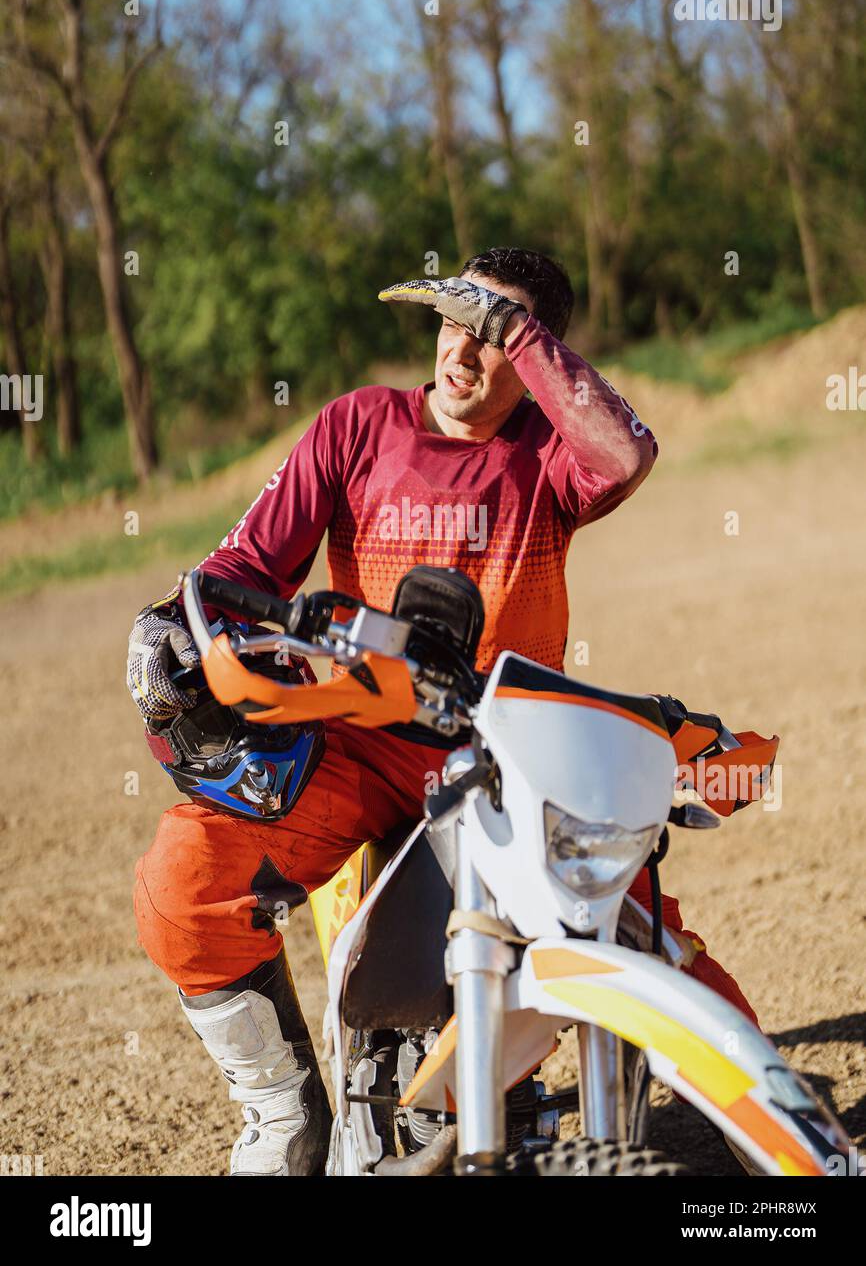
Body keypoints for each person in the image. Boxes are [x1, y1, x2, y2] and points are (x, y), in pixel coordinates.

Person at [128, 247, 757, 1176]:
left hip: (507, 754)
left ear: (535, 351)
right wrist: (172, 626)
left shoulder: (551, 453)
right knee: (183, 886)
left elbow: (625, 454)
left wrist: (518, 332)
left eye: (494, 333)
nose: (463, 352)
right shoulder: (359, 424)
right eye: (453, 322)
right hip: (355, 742)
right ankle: (282, 1116)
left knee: (654, 957)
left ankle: (786, 1153)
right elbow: (241, 572)